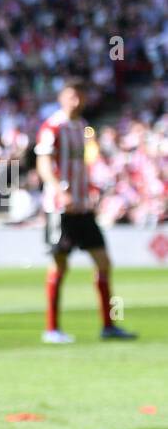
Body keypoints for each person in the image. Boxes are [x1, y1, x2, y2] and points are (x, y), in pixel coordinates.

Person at [36, 78, 137, 343]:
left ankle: (108, 325)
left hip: (83, 208)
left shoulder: (82, 127)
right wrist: (60, 191)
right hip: (60, 210)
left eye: (81, 96)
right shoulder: (52, 127)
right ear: (62, 98)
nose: (77, 101)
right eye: (72, 96)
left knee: (104, 262)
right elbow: (44, 164)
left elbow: (86, 165)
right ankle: (52, 329)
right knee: (59, 265)